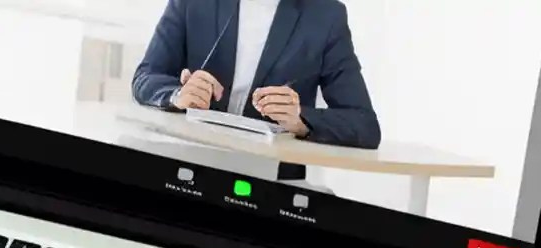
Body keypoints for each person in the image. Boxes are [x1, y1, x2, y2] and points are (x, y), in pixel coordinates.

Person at [132, 0, 382, 154]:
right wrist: (177, 95)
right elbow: (146, 77)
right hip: (188, 159)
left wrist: (300, 120)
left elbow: (364, 124)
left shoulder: (327, 16)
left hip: (270, 181)